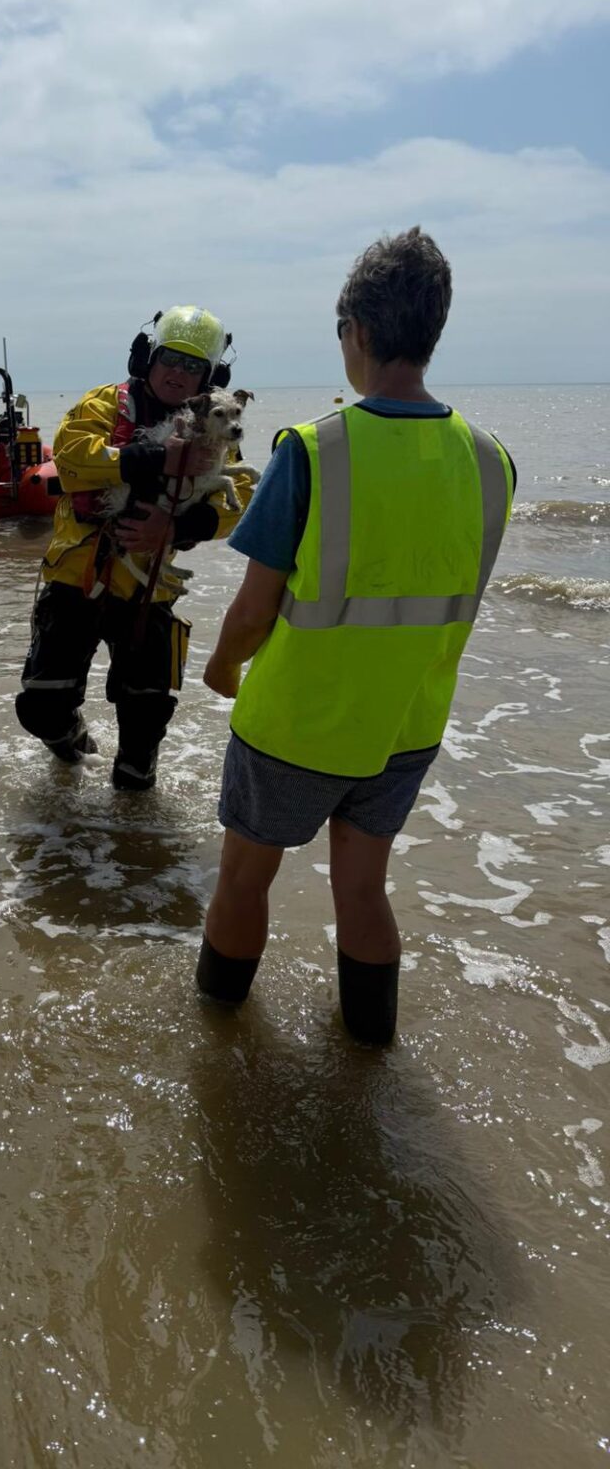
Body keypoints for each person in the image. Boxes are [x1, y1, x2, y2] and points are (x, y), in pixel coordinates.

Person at [198, 228, 516, 1046]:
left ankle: (216, 1036)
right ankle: (370, 1052)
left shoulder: (311, 451)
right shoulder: (491, 462)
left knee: (243, 878)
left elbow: (253, 610)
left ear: (359, 334)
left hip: (295, 725)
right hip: (406, 728)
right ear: (431, 330)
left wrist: (223, 666)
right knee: (363, 891)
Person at [15, 305, 255, 791]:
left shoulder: (215, 423)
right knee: (41, 706)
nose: (178, 373)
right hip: (76, 578)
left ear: (212, 377)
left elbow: (243, 496)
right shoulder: (104, 404)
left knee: (143, 736)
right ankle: (71, 745)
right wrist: (151, 456)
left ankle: (136, 842)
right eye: (171, 358)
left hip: (151, 593)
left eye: (194, 366)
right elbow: (72, 458)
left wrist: (179, 525)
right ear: (146, 356)